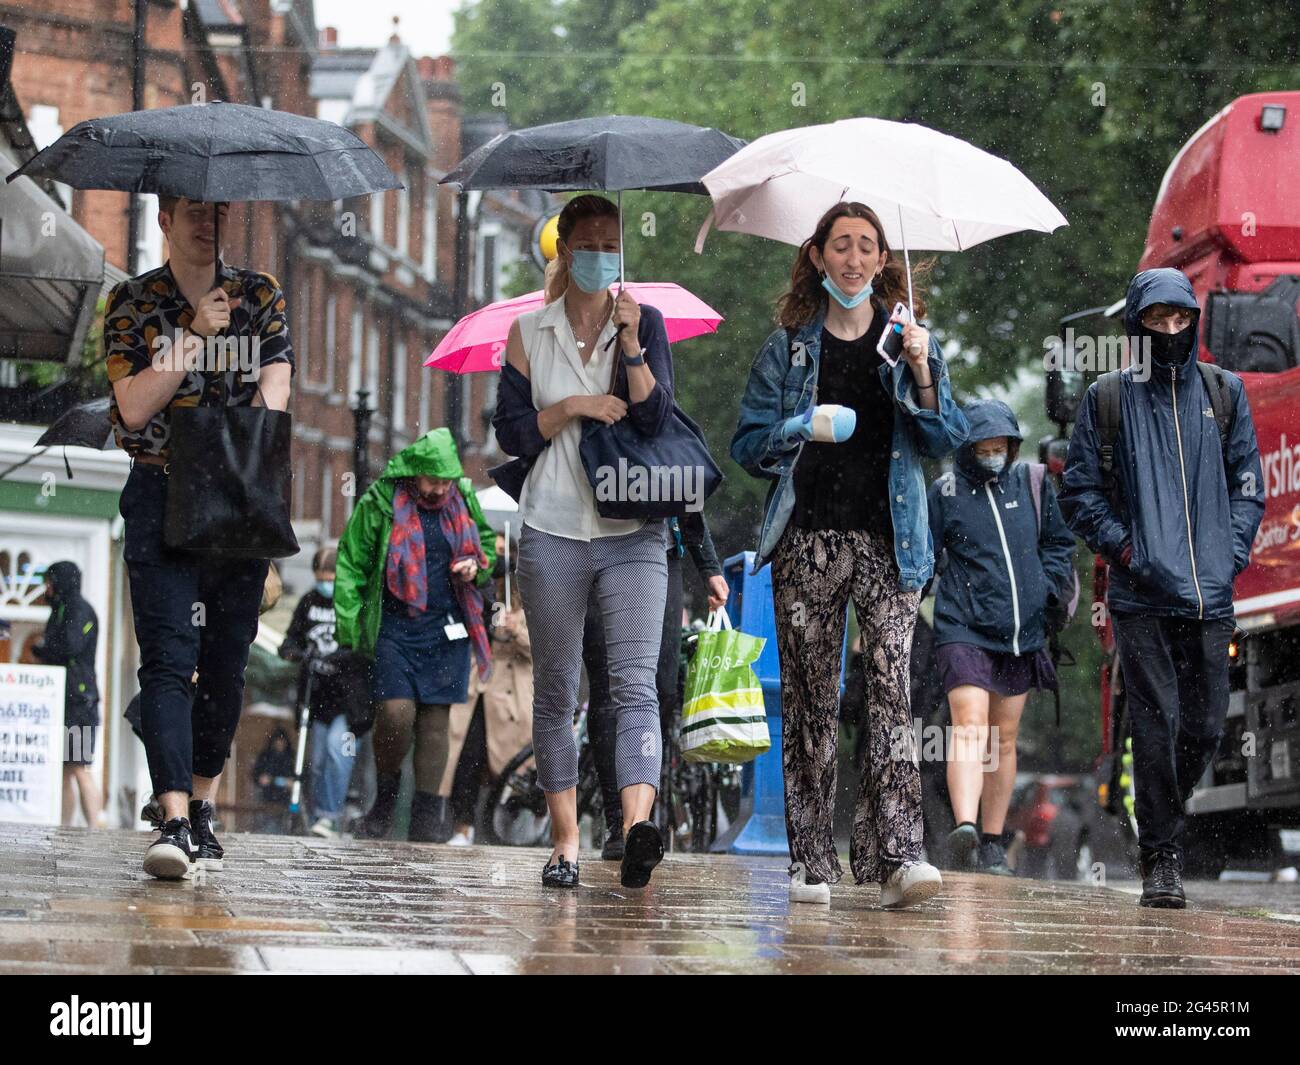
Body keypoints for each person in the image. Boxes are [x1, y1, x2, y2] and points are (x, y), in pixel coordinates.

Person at [731, 201, 968, 908]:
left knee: (894, 693)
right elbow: (747, 443)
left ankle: (896, 854)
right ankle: (811, 860)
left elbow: (941, 437)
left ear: (882, 259)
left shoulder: (906, 342)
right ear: (817, 255)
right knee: (811, 702)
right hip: (807, 540)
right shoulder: (788, 347)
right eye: (842, 245)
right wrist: (798, 425)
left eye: (868, 246)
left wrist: (922, 374)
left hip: (890, 543)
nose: (855, 258)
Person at [1059, 267, 1264, 909]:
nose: (1170, 330)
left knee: (1203, 727)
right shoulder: (1108, 399)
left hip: (1210, 595)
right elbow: (1080, 493)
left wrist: (1226, 556)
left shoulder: (1225, 393)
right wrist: (1129, 550)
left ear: (1193, 322)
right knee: (1156, 721)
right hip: (1141, 596)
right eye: (1157, 319)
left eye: (1181, 319)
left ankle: (1161, 822)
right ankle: (1162, 859)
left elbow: (1248, 487)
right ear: (1137, 325)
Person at [493, 193, 676, 890]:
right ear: (565, 250)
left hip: (634, 533)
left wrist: (630, 345)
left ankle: (635, 829)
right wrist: (571, 405)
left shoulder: (646, 322)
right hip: (553, 530)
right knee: (558, 689)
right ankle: (564, 839)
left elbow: (657, 417)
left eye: (614, 243)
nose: (603, 255)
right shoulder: (527, 332)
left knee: (636, 687)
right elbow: (509, 431)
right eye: (591, 242)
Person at [106, 195, 293, 879]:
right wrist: (191, 330)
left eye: (216, 208)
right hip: (160, 491)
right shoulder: (131, 302)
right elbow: (132, 404)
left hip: (237, 495)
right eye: (190, 209)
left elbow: (278, 379)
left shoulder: (259, 294)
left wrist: (243, 434)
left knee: (224, 664)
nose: (205, 220)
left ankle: (205, 800)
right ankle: (175, 819)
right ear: (163, 219)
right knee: (166, 657)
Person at [926, 400, 1076, 874]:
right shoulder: (945, 491)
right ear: (967, 448)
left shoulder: (1032, 483)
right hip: (961, 626)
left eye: (1001, 447)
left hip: (1021, 630)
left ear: (1012, 446)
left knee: (1003, 737)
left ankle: (993, 841)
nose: (993, 454)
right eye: (984, 447)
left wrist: (1048, 590)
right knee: (968, 723)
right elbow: (925, 556)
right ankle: (964, 828)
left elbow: (1058, 544)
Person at [334, 428, 496, 842]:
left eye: (447, 480)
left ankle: (426, 820)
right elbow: (352, 562)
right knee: (396, 713)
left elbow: (487, 545)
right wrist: (349, 626)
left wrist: (476, 566)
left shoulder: (461, 496)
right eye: (433, 480)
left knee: (437, 722)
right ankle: (385, 801)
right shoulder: (382, 501)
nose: (441, 488)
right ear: (414, 473)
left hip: (448, 626)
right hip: (396, 625)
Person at [583, 511, 729, 859]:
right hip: (599, 543)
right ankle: (617, 818)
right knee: (608, 690)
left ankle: (641, 820)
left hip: (663, 551)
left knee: (662, 688)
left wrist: (708, 565)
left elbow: (685, 480)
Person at [278, 546, 370, 838]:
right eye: (320, 578)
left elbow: (362, 648)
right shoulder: (308, 602)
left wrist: (336, 659)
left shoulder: (353, 602)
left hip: (349, 701)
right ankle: (318, 814)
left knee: (337, 750)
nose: (325, 584)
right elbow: (290, 640)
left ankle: (330, 815)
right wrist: (296, 653)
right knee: (316, 762)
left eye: (330, 578)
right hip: (316, 698)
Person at [445, 555, 534, 846]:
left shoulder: (537, 601)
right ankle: (463, 825)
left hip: (512, 699)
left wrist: (517, 631)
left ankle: (500, 829)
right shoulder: (485, 597)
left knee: (510, 770)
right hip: (480, 690)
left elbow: (547, 649)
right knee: (467, 758)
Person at [32, 561, 102, 828]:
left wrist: (43, 649)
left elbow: (69, 645)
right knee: (65, 768)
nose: (46, 588)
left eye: (50, 582)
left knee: (79, 766)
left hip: (80, 703)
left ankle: (95, 827)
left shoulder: (79, 610)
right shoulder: (60, 609)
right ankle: (66, 826)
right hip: (64, 701)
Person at [252, 729, 294, 834]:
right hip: (267, 795)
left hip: (285, 798)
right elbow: (258, 776)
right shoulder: (266, 756)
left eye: (282, 741)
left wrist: (275, 780)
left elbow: (294, 780)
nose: (280, 744)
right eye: (278, 741)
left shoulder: (291, 757)